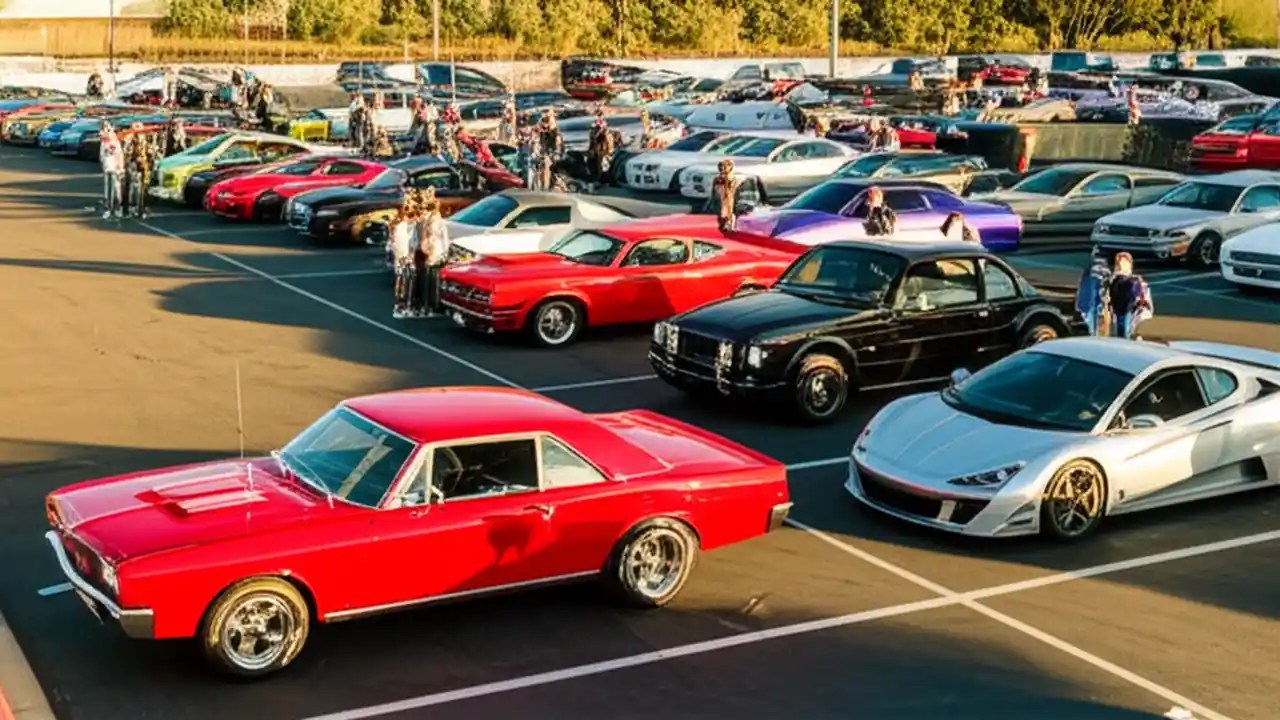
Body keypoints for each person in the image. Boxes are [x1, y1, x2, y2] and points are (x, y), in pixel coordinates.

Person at [418, 197, 452, 317]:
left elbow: (425, 239)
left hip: (432, 253)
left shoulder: (429, 222)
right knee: (435, 281)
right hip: (437, 252)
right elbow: (444, 239)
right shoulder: (437, 222)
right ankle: (435, 304)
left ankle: (429, 304)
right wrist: (445, 253)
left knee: (430, 280)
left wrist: (426, 249)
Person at [1107, 252, 1153, 339]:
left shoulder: (1135, 280)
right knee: (1120, 330)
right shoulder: (1114, 280)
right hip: (1118, 309)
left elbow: (1139, 293)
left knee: (1126, 330)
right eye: (1120, 263)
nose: (1123, 265)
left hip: (1130, 309)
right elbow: (1110, 294)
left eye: (1125, 263)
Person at [390, 193, 421, 319]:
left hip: (401, 258)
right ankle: (404, 306)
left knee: (401, 281)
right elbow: (413, 243)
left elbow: (395, 243)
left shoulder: (399, 226)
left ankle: (399, 305)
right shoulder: (408, 227)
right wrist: (408, 255)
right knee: (407, 283)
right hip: (406, 258)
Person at [1076, 248, 1112, 337]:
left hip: (1089, 302)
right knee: (1092, 313)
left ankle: (1092, 334)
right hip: (1094, 300)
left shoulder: (1090, 274)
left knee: (1090, 314)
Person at [124, 124, 153, 219]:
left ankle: (141, 208)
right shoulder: (129, 139)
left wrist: (149, 155)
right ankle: (128, 208)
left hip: (143, 165)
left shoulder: (144, 139)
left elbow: (147, 151)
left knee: (142, 188)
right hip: (132, 165)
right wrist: (133, 159)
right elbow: (126, 152)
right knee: (131, 188)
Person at [99, 123, 124, 220]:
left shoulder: (116, 142)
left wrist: (120, 167)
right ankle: (108, 209)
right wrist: (103, 165)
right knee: (107, 189)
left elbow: (119, 155)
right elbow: (101, 156)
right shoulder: (103, 143)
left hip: (115, 169)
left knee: (116, 188)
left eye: (108, 130)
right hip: (107, 168)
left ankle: (118, 208)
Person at [708, 159, 740, 232]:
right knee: (720, 211)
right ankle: (721, 225)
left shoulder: (731, 177)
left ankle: (728, 225)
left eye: (724, 166)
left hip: (728, 197)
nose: (722, 169)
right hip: (720, 196)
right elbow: (714, 188)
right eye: (721, 167)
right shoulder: (717, 178)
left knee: (728, 211)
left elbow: (732, 189)